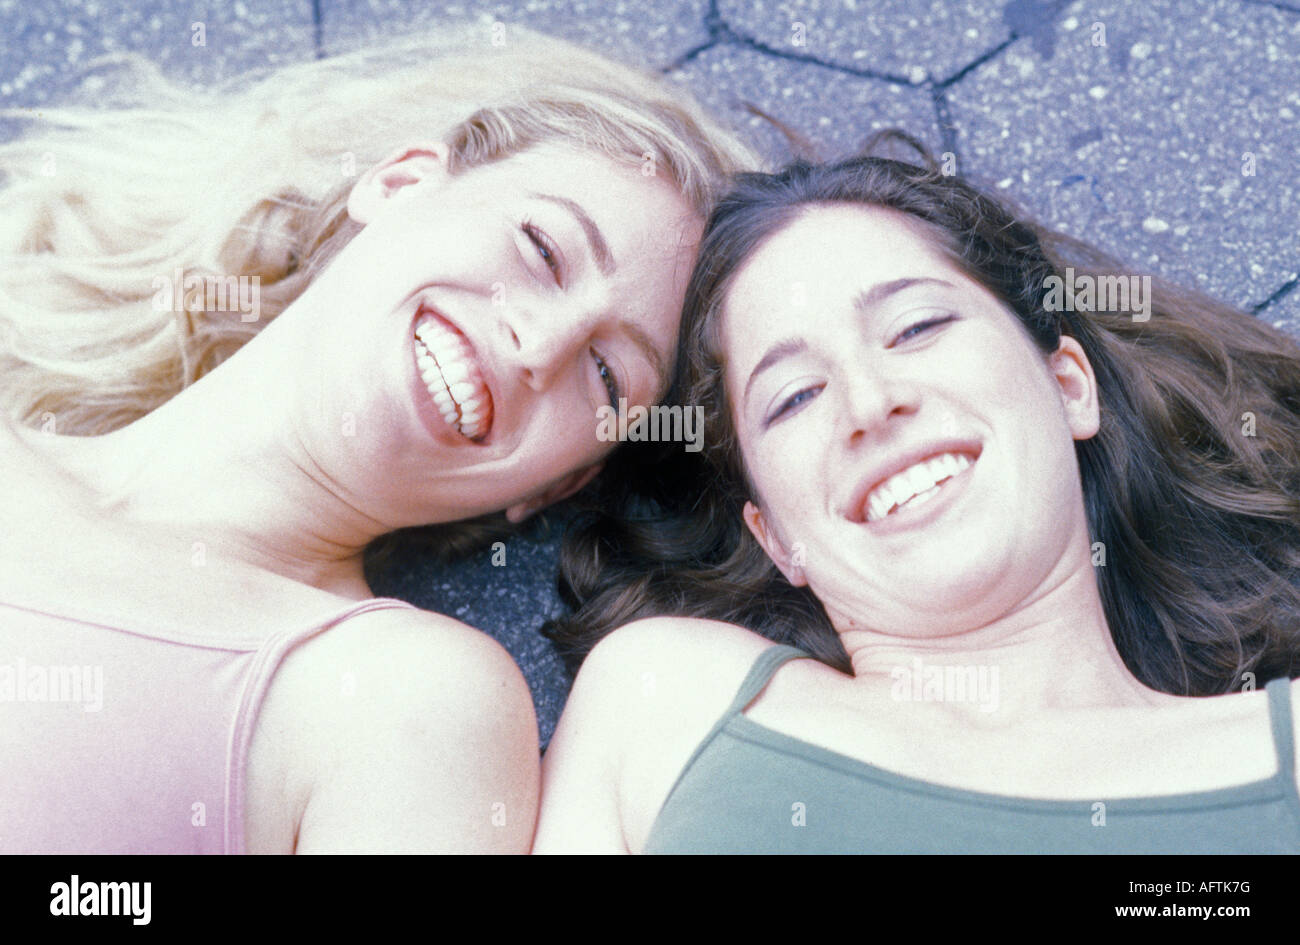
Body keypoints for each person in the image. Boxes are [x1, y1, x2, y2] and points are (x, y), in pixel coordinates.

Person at [0, 30, 758, 853]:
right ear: (399, 182)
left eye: (607, 377)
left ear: (554, 486)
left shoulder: (401, 702)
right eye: (542, 249)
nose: (539, 347)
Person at [535, 137, 1300, 853]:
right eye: (795, 397)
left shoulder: (1283, 750)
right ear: (774, 539)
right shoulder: (663, 699)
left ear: (1069, 386)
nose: (869, 404)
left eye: (916, 326)